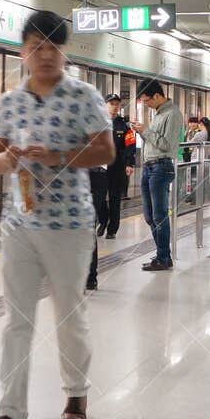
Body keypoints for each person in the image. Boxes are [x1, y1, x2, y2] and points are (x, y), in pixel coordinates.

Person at [0, 11, 114, 419]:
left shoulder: (84, 96)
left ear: (64, 52)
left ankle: (76, 392)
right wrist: (12, 159)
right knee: (16, 321)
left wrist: (59, 157)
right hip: (20, 225)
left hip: (70, 224)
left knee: (69, 313)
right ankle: (10, 416)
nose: (46, 55)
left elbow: (106, 152)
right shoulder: (9, 102)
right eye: (37, 46)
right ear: (23, 52)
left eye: (54, 47)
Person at [85, 92, 135, 291]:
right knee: (99, 202)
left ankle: (112, 228)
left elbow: (130, 146)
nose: (114, 107)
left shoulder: (124, 126)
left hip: (116, 168)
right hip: (97, 170)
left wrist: (130, 163)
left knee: (115, 198)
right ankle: (102, 221)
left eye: (117, 104)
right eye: (111, 103)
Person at [133, 80, 181, 272]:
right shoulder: (159, 114)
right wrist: (143, 131)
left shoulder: (173, 114)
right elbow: (154, 141)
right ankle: (162, 254)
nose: (146, 105)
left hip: (161, 167)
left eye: (147, 101)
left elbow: (166, 145)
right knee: (149, 215)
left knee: (159, 215)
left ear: (157, 96)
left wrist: (145, 130)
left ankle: (163, 257)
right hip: (149, 167)